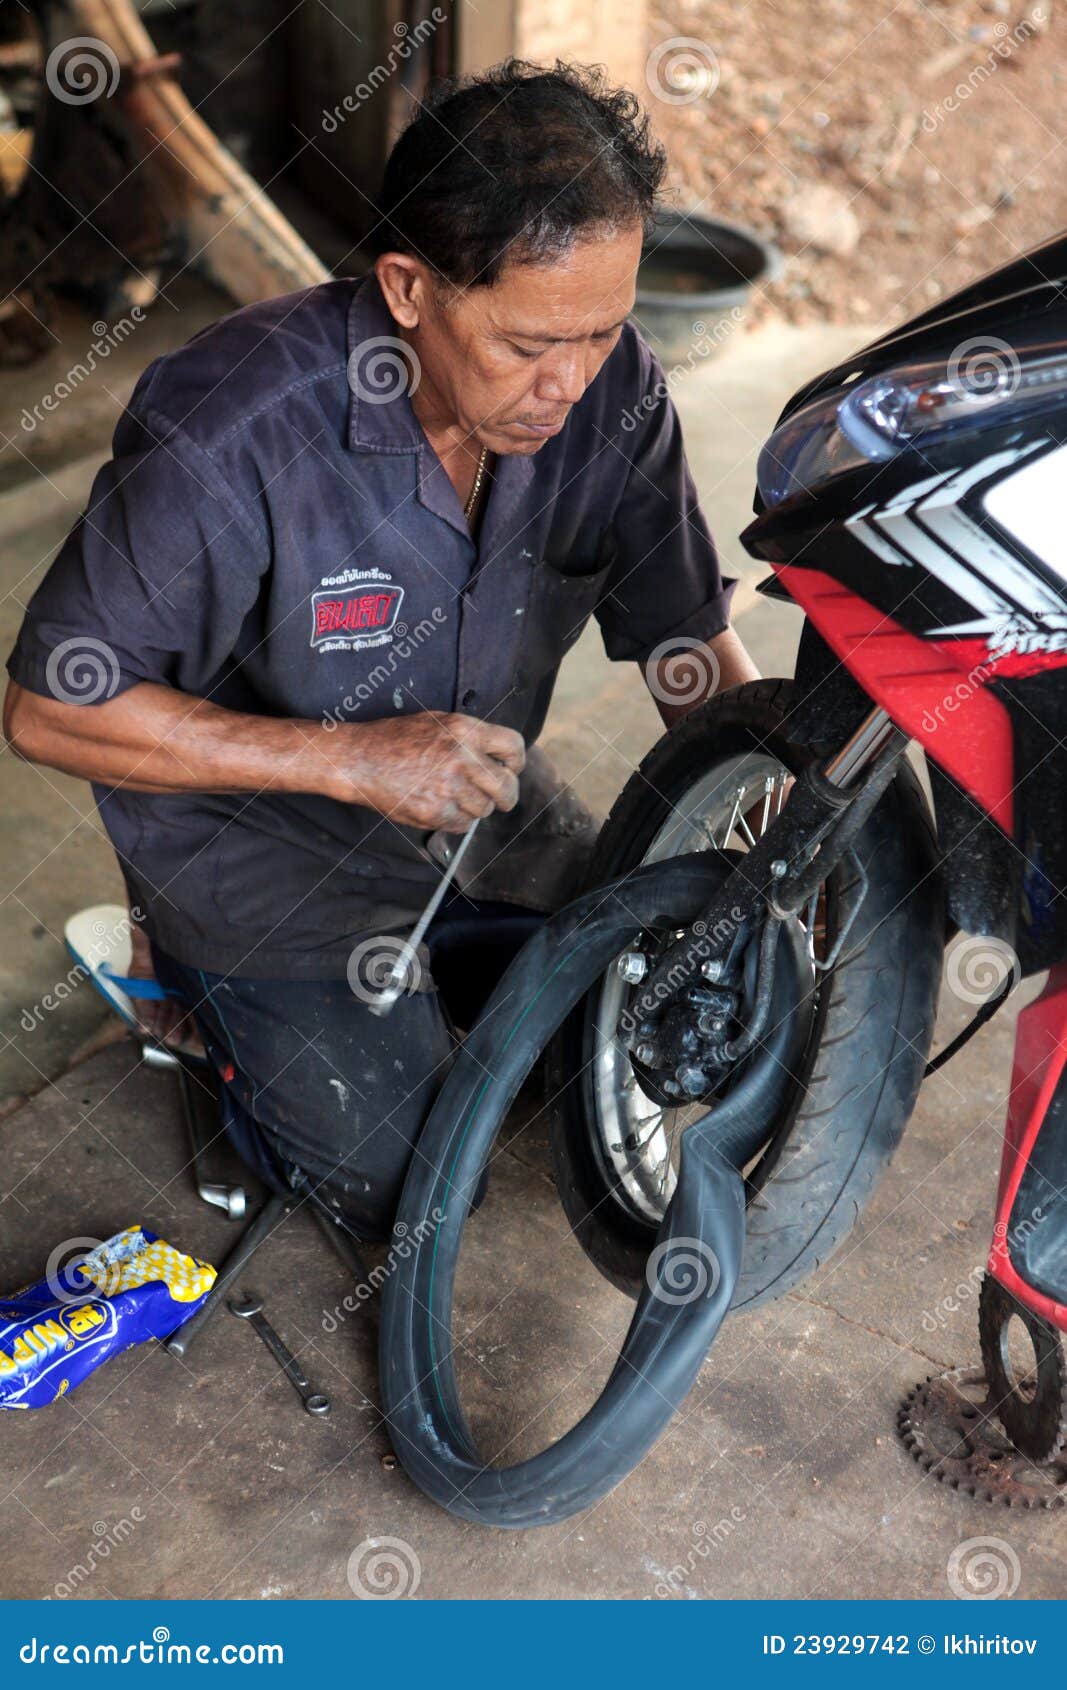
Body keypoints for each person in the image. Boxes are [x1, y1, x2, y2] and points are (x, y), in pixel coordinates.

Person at [4, 60, 757, 1239]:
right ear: (407, 288)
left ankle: (436, 980)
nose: (569, 382)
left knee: (657, 1025)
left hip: (475, 797)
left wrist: (776, 811)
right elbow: (49, 708)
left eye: (603, 330)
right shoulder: (237, 422)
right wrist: (352, 760)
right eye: (527, 342)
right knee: (414, 1186)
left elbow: (683, 639)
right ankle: (189, 1005)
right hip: (257, 854)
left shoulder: (608, 390)